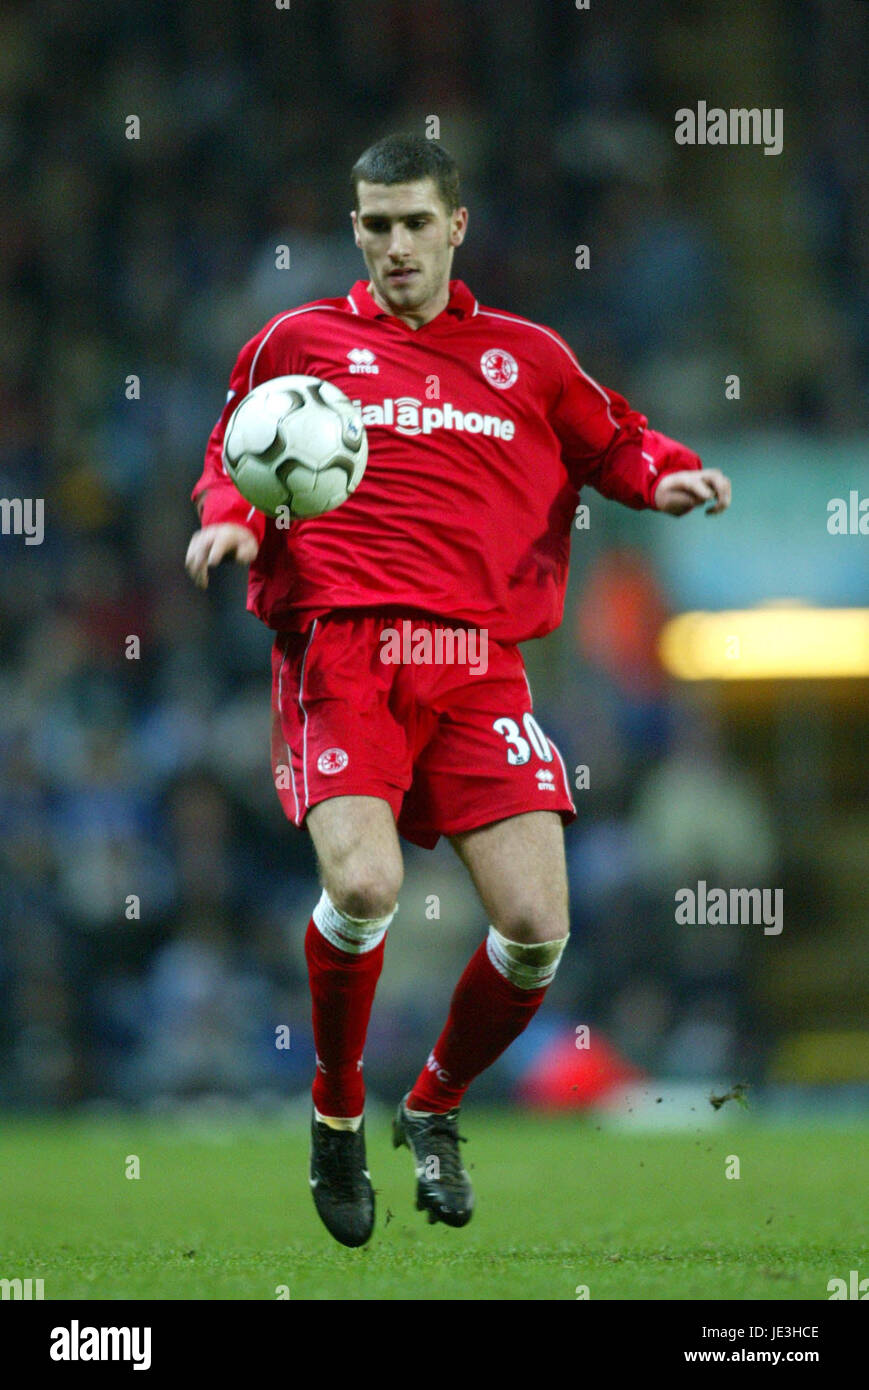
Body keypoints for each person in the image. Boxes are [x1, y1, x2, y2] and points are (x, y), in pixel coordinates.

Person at [185, 133, 731, 1248]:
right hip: (340, 649)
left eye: (412, 222)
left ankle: (430, 1105)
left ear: (454, 226)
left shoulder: (523, 356)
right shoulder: (299, 343)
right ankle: (336, 1111)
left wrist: (663, 471)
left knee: (534, 927)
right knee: (368, 884)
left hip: (476, 663)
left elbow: (609, 437)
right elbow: (232, 450)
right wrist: (230, 525)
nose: (393, 245)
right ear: (356, 231)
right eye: (373, 224)